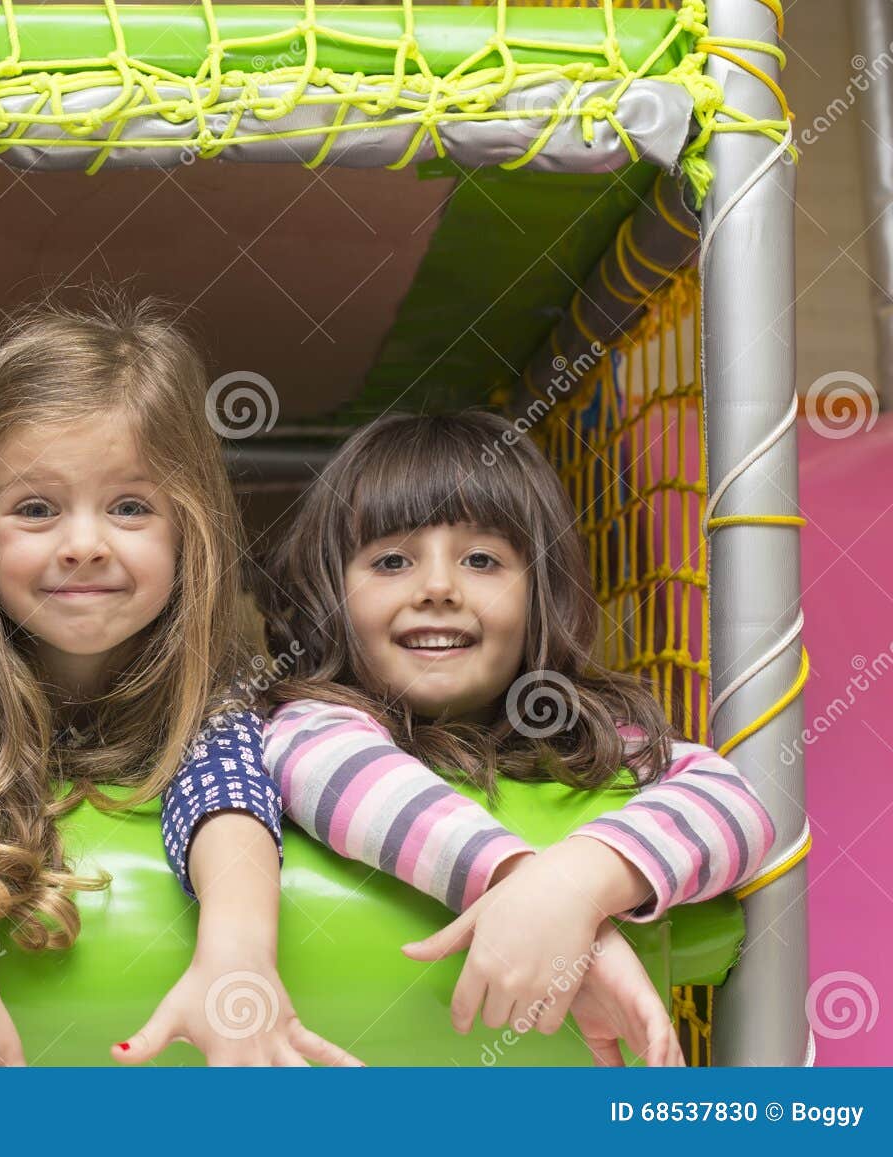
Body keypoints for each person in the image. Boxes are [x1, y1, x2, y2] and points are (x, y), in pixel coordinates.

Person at [0, 292, 359, 1067]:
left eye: (129, 506)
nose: (84, 543)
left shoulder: (213, 686)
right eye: (36, 508)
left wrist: (237, 956)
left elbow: (225, 785)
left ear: (188, 530)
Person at [257, 411, 777, 1065]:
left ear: (540, 592)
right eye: (391, 560)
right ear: (333, 594)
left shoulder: (590, 739)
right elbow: (324, 768)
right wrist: (515, 877)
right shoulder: (311, 721)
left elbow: (736, 802)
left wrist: (578, 884)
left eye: (482, 559)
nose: (439, 587)